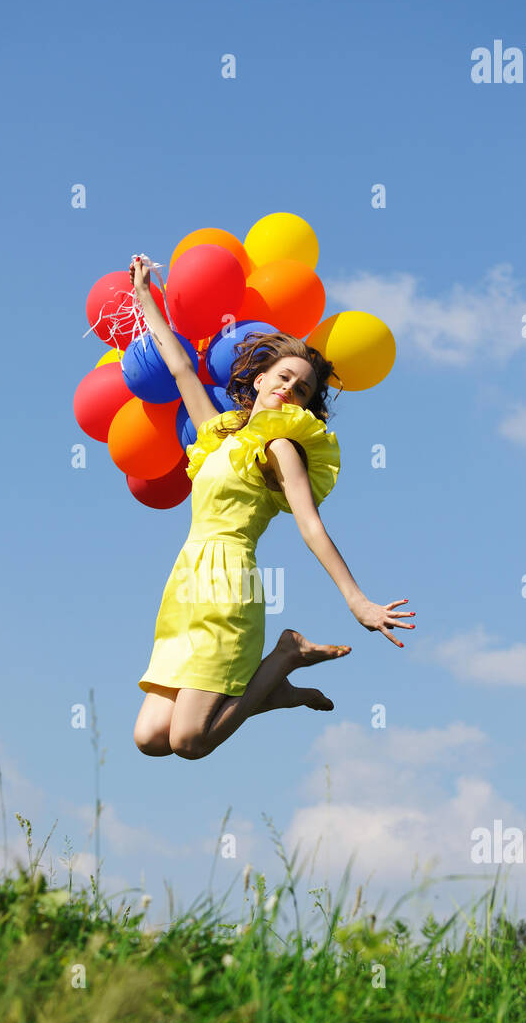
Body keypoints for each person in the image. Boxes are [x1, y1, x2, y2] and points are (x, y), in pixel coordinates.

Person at [129, 255, 415, 759]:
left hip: (229, 584)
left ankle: (285, 655)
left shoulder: (280, 448)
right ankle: (269, 693)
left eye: (302, 389)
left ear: (304, 406)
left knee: (190, 741)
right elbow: (178, 367)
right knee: (150, 738)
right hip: (185, 582)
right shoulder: (216, 436)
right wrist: (146, 296)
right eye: (282, 376)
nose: (288, 388)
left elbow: (311, 526)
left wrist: (357, 600)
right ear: (259, 379)